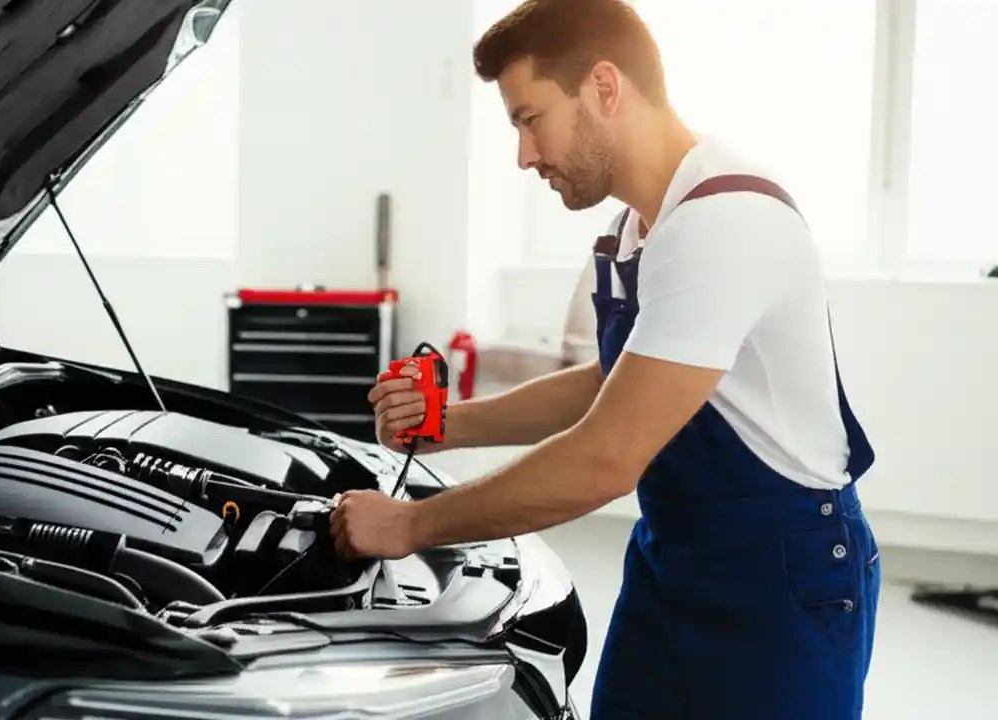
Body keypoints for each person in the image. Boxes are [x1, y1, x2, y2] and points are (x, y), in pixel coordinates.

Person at [327, 1, 880, 718]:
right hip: (673, 559)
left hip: (780, 576)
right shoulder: (634, 232)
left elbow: (606, 455)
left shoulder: (723, 222)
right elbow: (612, 386)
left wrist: (411, 525)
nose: (524, 156)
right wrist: (445, 424)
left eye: (530, 120)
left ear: (605, 89)